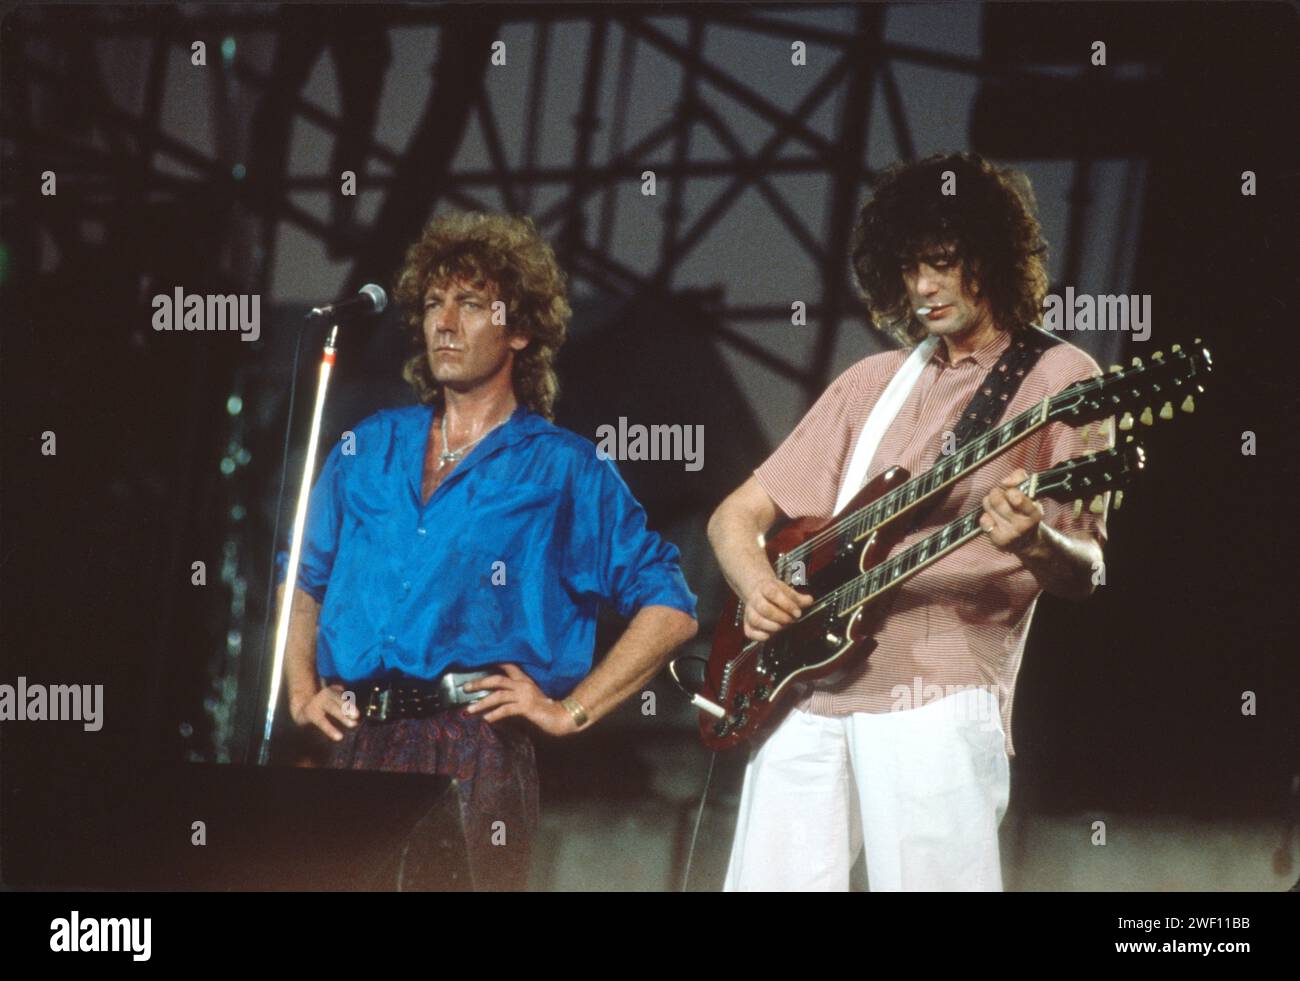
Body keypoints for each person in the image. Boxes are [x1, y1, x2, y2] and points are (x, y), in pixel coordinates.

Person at [707, 152, 1111, 891]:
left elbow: (1086, 567)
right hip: (807, 686)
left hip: (940, 689)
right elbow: (734, 515)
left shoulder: (1064, 380)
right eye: (910, 267)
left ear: (991, 258)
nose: (922, 287)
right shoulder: (871, 383)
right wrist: (759, 584)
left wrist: (1034, 539)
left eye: (944, 263)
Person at [277, 212, 698, 890]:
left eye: (470, 304)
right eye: (435, 303)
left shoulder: (564, 468)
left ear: (519, 329)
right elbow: (304, 573)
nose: (444, 321)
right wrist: (300, 690)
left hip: (473, 750)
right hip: (358, 741)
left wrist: (570, 710)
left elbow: (670, 604)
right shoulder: (370, 446)